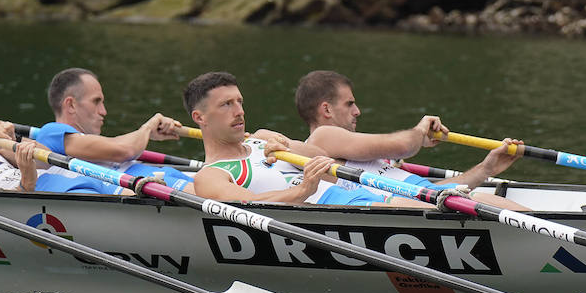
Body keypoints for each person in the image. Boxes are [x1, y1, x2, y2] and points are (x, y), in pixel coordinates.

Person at [183, 71, 423, 208]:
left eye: (240, 102)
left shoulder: (261, 140)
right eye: (226, 105)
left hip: (357, 195)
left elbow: (324, 161)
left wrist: (287, 146)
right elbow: (251, 204)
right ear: (200, 117)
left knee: (440, 207)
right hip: (329, 209)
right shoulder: (210, 175)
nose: (239, 112)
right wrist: (304, 190)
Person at [294, 70, 524, 208]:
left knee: (470, 195)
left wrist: (485, 169)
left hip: (432, 199)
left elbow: (434, 191)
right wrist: (420, 131)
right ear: (326, 110)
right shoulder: (321, 138)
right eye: (349, 103)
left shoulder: (349, 150)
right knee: (474, 197)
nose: (357, 111)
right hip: (415, 206)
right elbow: (403, 146)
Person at [30, 67, 190, 194]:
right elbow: (124, 150)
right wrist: (148, 128)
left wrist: (148, 134)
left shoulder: (89, 140)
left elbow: (122, 145)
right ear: (71, 105)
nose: (103, 111)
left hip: (159, 177)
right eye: (96, 102)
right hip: (150, 186)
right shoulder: (50, 132)